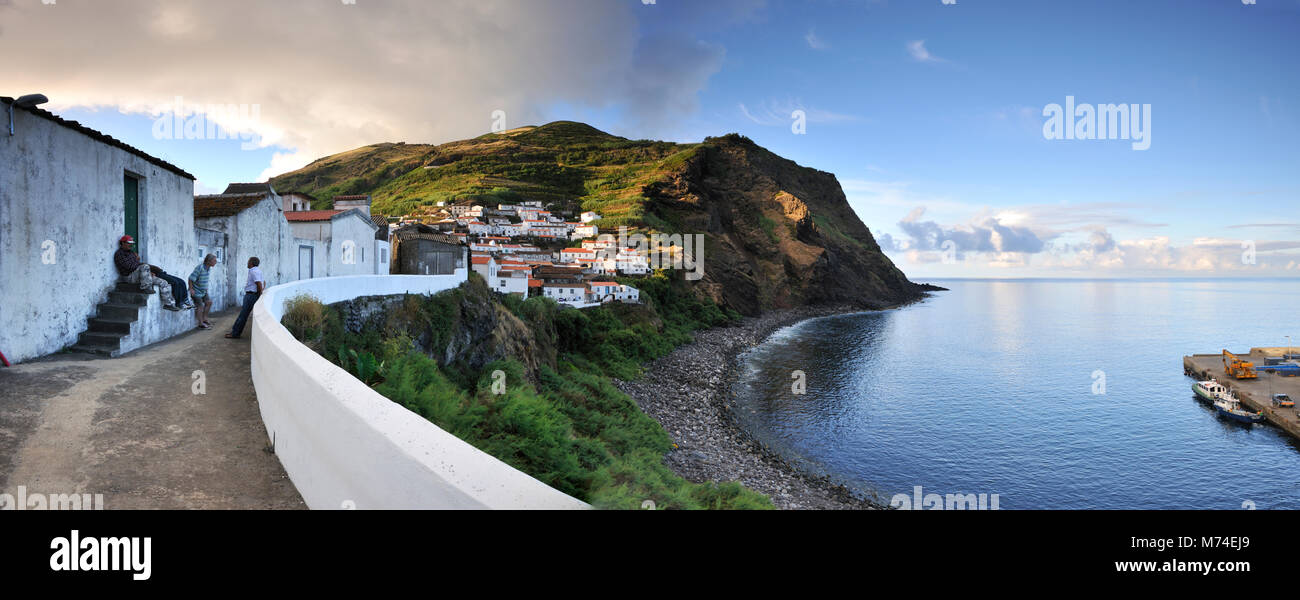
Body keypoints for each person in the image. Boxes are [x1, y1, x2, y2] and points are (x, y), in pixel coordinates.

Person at [112, 235, 180, 311]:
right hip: (129, 277)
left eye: (131, 243)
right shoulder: (119, 254)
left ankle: (169, 304)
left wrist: (148, 272)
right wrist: (139, 263)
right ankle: (146, 287)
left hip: (138, 276)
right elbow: (129, 267)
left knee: (163, 282)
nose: (131, 245)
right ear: (122, 243)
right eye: (128, 243)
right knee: (145, 266)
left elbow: (137, 266)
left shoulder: (131, 253)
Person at [226, 256, 265, 339]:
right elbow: (263, 282)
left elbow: (259, 283)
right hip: (253, 295)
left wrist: (259, 294)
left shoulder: (253, 271)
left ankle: (235, 333)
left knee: (243, 315)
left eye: (248, 261)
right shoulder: (258, 271)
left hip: (251, 295)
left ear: (251, 263)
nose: (247, 263)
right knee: (245, 315)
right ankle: (235, 332)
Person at [189, 254, 217, 330]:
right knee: (200, 306)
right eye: (214, 260)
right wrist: (191, 289)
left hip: (203, 291)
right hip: (196, 291)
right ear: (209, 261)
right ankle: (201, 323)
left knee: (209, 302)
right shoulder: (200, 268)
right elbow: (191, 278)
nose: (216, 262)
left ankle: (205, 318)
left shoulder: (208, 268)